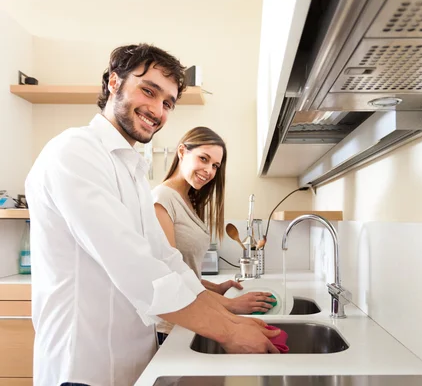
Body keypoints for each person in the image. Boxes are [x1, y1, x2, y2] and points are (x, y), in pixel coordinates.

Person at [25, 43, 279, 386]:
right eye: (149, 91)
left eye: (168, 103)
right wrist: (227, 331)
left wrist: (229, 316)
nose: (157, 110)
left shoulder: (132, 169)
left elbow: (165, 259)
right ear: (114, 82)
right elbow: (134, 267)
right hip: (82, 368)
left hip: (132, 366)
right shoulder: (75, 152)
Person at [152, 126, 276, 342]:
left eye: (215, 165)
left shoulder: (188, 202)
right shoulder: (161, 199)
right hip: (172, 326)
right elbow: (170, 277)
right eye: (203, 158)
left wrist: (216, 288)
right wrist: (230, 304)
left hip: (193, 316)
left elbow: (187, 271)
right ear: (182, 152)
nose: (209, 170)